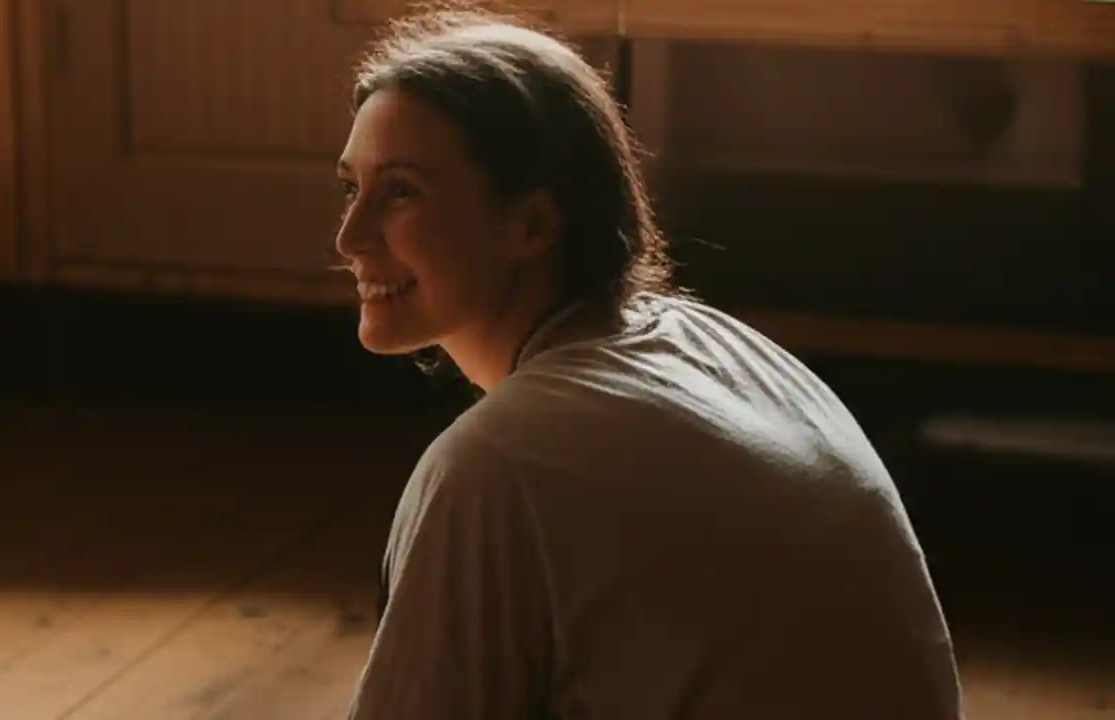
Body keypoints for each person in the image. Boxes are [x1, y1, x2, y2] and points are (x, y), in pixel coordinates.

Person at [333, 7, 963, 719]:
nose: (349, 236)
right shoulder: (717, 343)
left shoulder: (495, 467)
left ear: (532, 224)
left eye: (402, 191)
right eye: (352, 188)